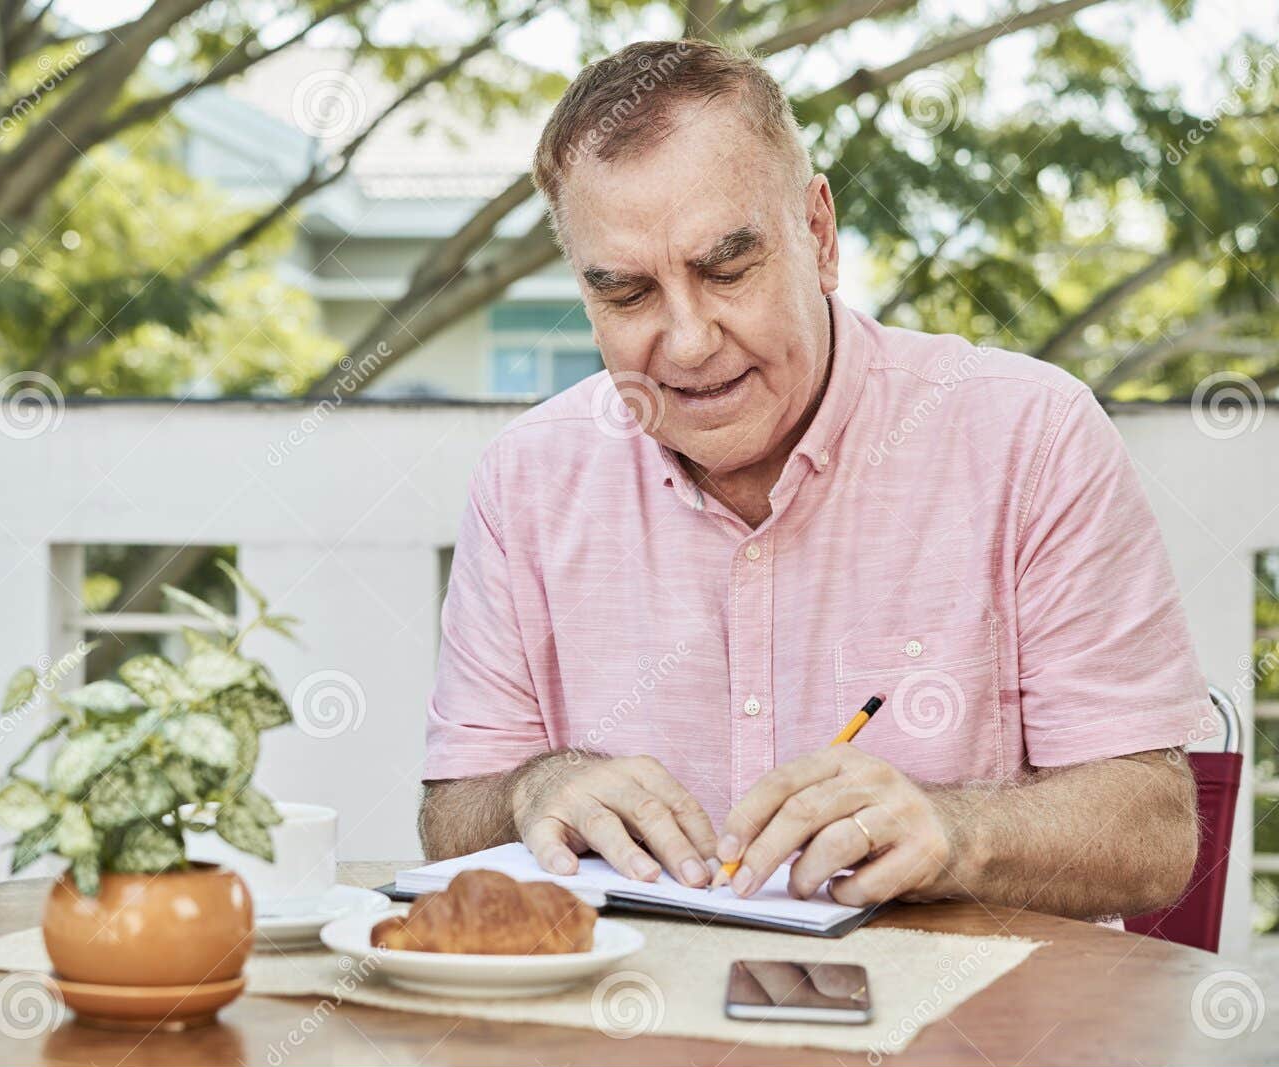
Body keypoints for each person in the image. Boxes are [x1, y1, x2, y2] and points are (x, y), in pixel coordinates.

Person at [418, 40, 1207, 920]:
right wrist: (533, 789)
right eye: (628, 295)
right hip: (640, 1006)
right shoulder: (526, 478)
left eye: (727, 269)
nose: (688, 343)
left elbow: (1153, 833)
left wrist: (956, 833)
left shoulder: (1031, 435)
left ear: (819, 237)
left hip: (969, 1009)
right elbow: (453, 818)